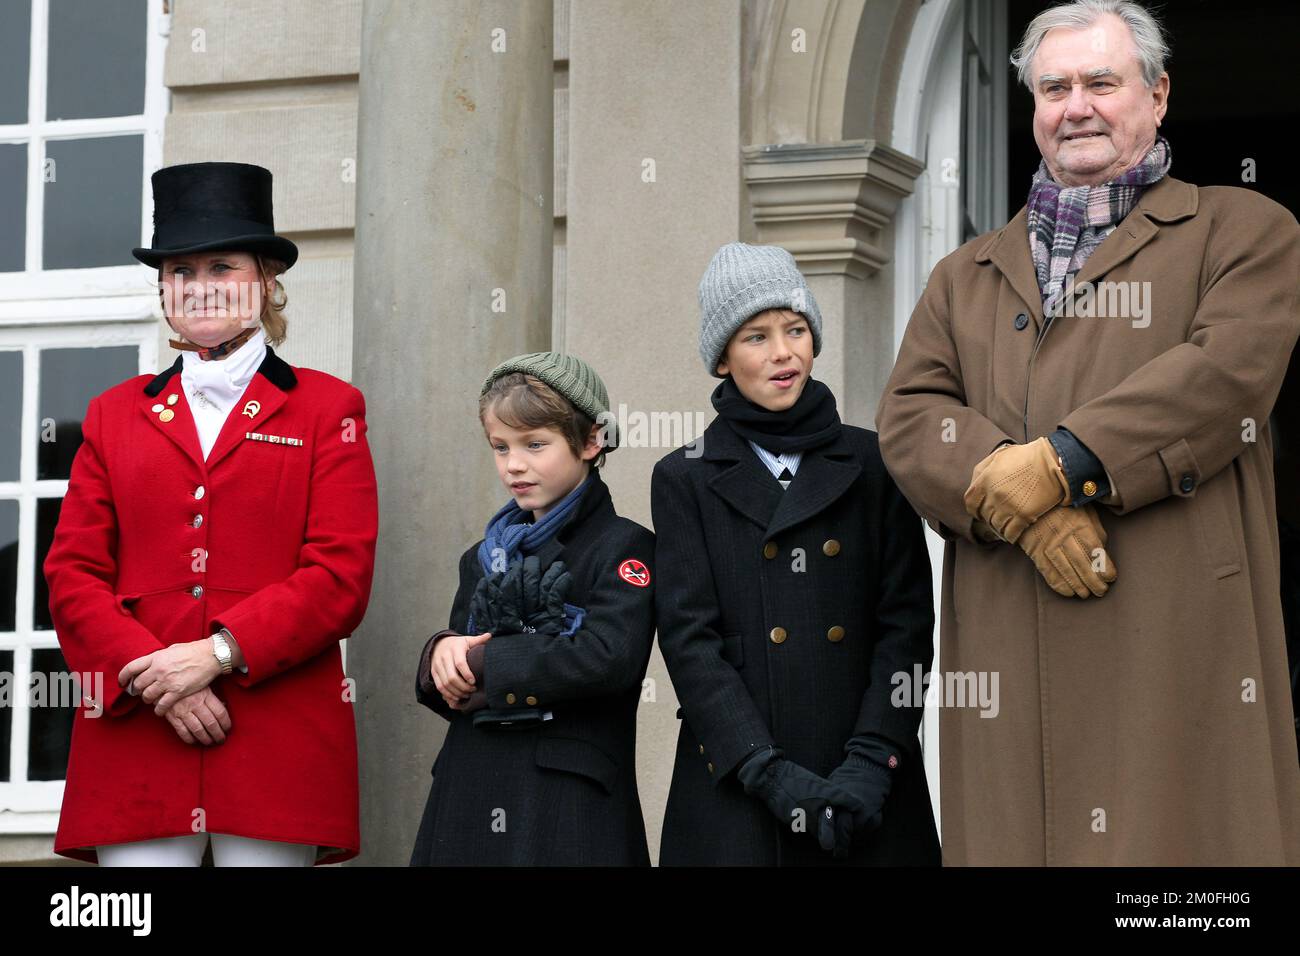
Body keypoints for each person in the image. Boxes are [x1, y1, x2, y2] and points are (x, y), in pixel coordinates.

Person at [876, 0, 1300, 864]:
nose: (1077, 106)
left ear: (1159, 95)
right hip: (1010, 646)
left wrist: (1067, 463)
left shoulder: (1245, 229)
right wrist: (1021, 497)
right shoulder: (964, 275)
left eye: (1103, 82)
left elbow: (1228, 374)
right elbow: (910, 414)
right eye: (1055, 86)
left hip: (1173, 643)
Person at [43, 162, 379, 866]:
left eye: (221, 266)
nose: (198, 287)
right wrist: (153, 674)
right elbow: (73, 574)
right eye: (180, 270)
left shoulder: (328, 409)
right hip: (138, 731)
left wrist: (217, 654)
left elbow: (339, 573)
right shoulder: (113, 414)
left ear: (265, 281)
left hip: (274, 733)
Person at [653, 242, 940, 865]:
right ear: (722, 359)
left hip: (868, 785)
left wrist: (872, 760)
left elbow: (908, 627)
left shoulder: (873, 461)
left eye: (796, 329)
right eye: (756, 336)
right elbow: (690, 644)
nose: (783, 353)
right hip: (739, 788)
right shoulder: (684, 477)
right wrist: (769, 773)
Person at [411, 352, 656, 865]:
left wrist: (483, 663)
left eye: (534, 444)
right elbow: (458, 673)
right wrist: (441, 655)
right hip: (469, 789)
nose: (513, 464)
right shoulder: (480, 557)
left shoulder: (624, 546)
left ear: (592, 440)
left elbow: (607, 658)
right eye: (500, 447)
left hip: (568, 802)